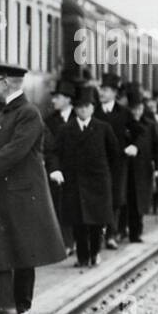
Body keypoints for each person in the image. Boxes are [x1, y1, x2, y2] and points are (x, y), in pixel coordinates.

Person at [0, 63, 66, 314]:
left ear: (5, 82)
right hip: (3, 193)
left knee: (20, 250)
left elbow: (15, 151)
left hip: (19, 195)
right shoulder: (9, 111)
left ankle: (19, 305)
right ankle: (2, 305)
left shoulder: (27, 113)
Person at [50, 86, 121, 267]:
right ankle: (82, 257)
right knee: (78, 221)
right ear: (74, 108)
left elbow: (115, 155)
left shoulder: (103, 128)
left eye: (87, 106)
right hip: (74, 183)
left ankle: (95, 253)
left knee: (96, 221)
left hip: (97, 182)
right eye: (79, 106)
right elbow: (54, 152)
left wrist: (107, 175)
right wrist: (56, 169)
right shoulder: (66, 129)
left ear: (93, 108)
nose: (83, 109)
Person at [96, 74, 133, 247]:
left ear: (114, 93)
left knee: (115, 199)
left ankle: (111, 234)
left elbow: (140, 131)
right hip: (97, 163)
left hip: (118, 163)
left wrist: (133, 146)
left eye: (105, 90)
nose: (101, 93)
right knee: (98, 198)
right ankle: (99, 236)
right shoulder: (93, 110)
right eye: (101, 89)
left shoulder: (124, 113)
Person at [44, 80, 77, 255]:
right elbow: (49, 149)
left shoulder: (78, 118)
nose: (53, 101)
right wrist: (54, 168)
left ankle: (76, 241)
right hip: (57, 171)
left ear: (67, 99)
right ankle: (64, 243)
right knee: (59, 207)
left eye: (57, 97)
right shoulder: (49, 120)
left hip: (76, 170)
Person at [123, 86, 158, 243]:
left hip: (143, 168)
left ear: (143, 108)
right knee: (128, 200)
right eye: (133, 109)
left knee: (140, 201)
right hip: (127, 167)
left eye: (139, 108)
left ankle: (136, 232)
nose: (136, 112)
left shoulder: (150, 125)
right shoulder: (124, 123)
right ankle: (128, 231)